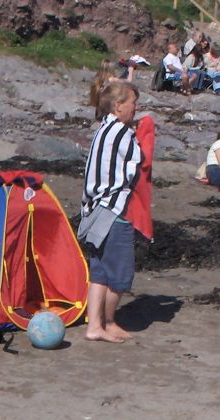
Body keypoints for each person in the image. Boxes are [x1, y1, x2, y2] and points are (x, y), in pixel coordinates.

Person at [77, 81, 142, 343]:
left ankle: (96, 325)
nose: (135, 109)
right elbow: (135, 170)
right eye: (133, 103)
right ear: (118, 106)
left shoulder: (102, 129)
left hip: (92, 210)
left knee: (100, 271)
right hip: (113, 210)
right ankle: (108, 320)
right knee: (121, 275)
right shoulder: (123, 133)